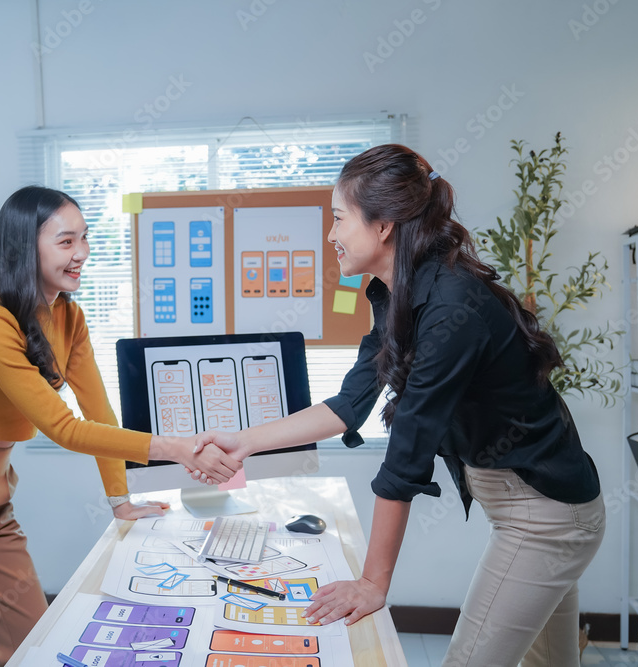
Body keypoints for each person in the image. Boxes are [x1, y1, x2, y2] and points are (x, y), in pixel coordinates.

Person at [191, 144, 605, 667]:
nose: (331, 234)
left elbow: (408, 451)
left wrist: (371, 582)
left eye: (339, 219)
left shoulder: (451, 305)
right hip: (540, 506)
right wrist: (245, 441)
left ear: (382, 224)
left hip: (546, 516)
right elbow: (349, 404)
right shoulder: (397, 294)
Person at [0, 185, 239, 667]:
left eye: (84, 239)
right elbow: (63, 428)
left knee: (31, 645)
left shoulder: (69, 316)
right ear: (26, 246)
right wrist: (178, 448)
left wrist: (119, 498)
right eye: (66, 242)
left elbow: (99, 412)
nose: (81, 254)